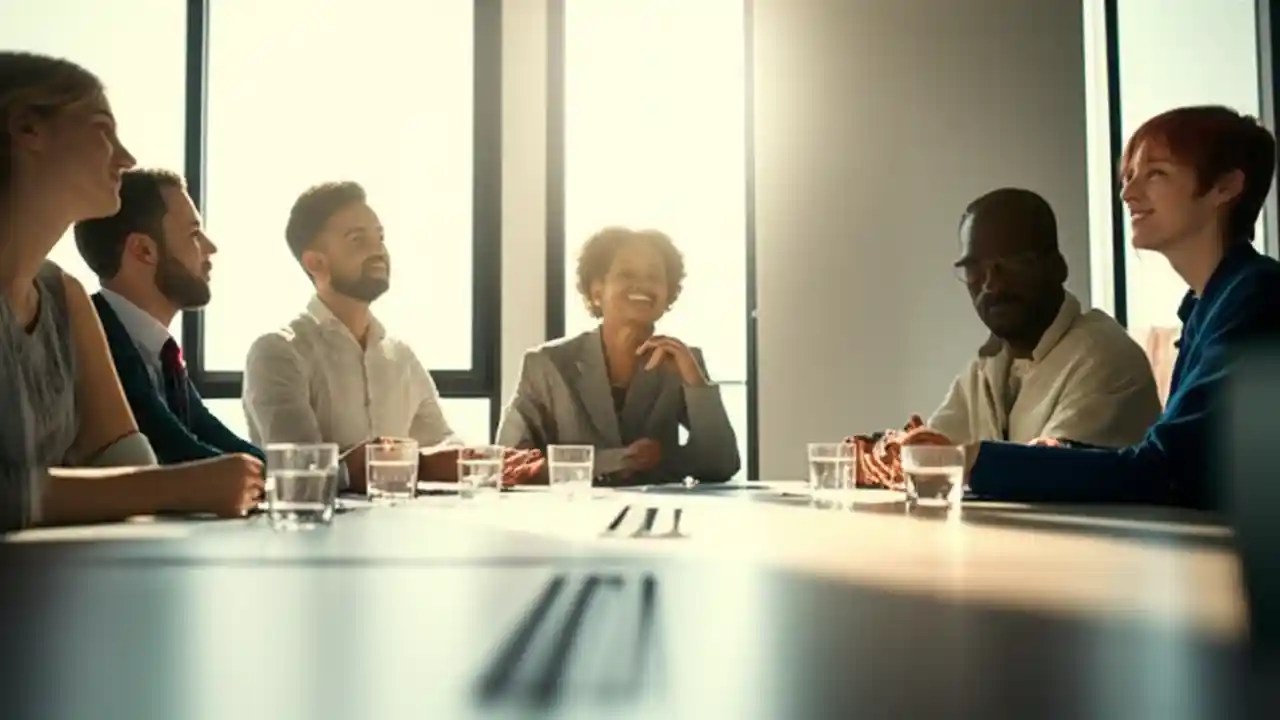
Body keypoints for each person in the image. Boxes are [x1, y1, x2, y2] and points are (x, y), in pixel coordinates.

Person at [900, 106, 1280, 509]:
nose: (1128, 193)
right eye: (1129, 177)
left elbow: (1167, 472)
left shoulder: (1255, 298)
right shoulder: (1207, 307)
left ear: (1225, 187)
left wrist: (973, 460)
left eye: (1156, 174)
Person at [0, 51, 262, 530]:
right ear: (27, 129)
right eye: (103, 129)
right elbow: (145, 483)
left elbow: (128, 463)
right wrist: (180, 486)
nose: (127, 157)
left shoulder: (66, 297)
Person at [242, 181, 540, 490]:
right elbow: (300, 472)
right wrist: (418, 464)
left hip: (401, 532)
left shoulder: (400, 356)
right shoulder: (277, 352)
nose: (378, 251)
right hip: (311, 535)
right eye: (358, 240)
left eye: (380, 238)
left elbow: (442, 443)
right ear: (315, 262)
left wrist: (489, 463)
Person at [855, 188, 1161, 486]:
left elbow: (1048, 476)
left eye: (1012, 264)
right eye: (975, 269)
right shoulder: (986, 367)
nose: (992, 285)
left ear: (1057, 266)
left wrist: (934, 459)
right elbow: (930, 462)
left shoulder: (1103, 356)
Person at [497, 226, 741, 485]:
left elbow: (721, 465)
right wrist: (617, 460)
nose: (643, 284)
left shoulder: (684, 361)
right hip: (569, 516)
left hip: (658, 518)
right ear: (596, 291)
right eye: (626, 273)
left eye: (654, 276)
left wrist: (696, 383)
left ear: (668, 294)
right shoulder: (547, 364)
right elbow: (510, 463)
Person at [73, 168, 264, 464]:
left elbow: (214, 437)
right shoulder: (95, 337)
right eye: (194, 233)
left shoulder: (158, 349)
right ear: (144, 250)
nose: (211, 248)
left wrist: (324, 472)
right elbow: (179, 452)